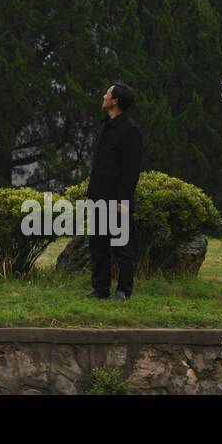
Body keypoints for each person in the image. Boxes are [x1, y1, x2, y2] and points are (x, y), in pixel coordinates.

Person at [85, 82, 143, 300]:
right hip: (98, 197)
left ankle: (123, 291)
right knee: (97, 245)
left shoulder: (130, 131)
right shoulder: (106, 126)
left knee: (122, 247)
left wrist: (123, 201)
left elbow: (131, 170)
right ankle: (100, 289)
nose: (103, 95)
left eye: (107, 93)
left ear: (115, 101)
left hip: (118, 201)